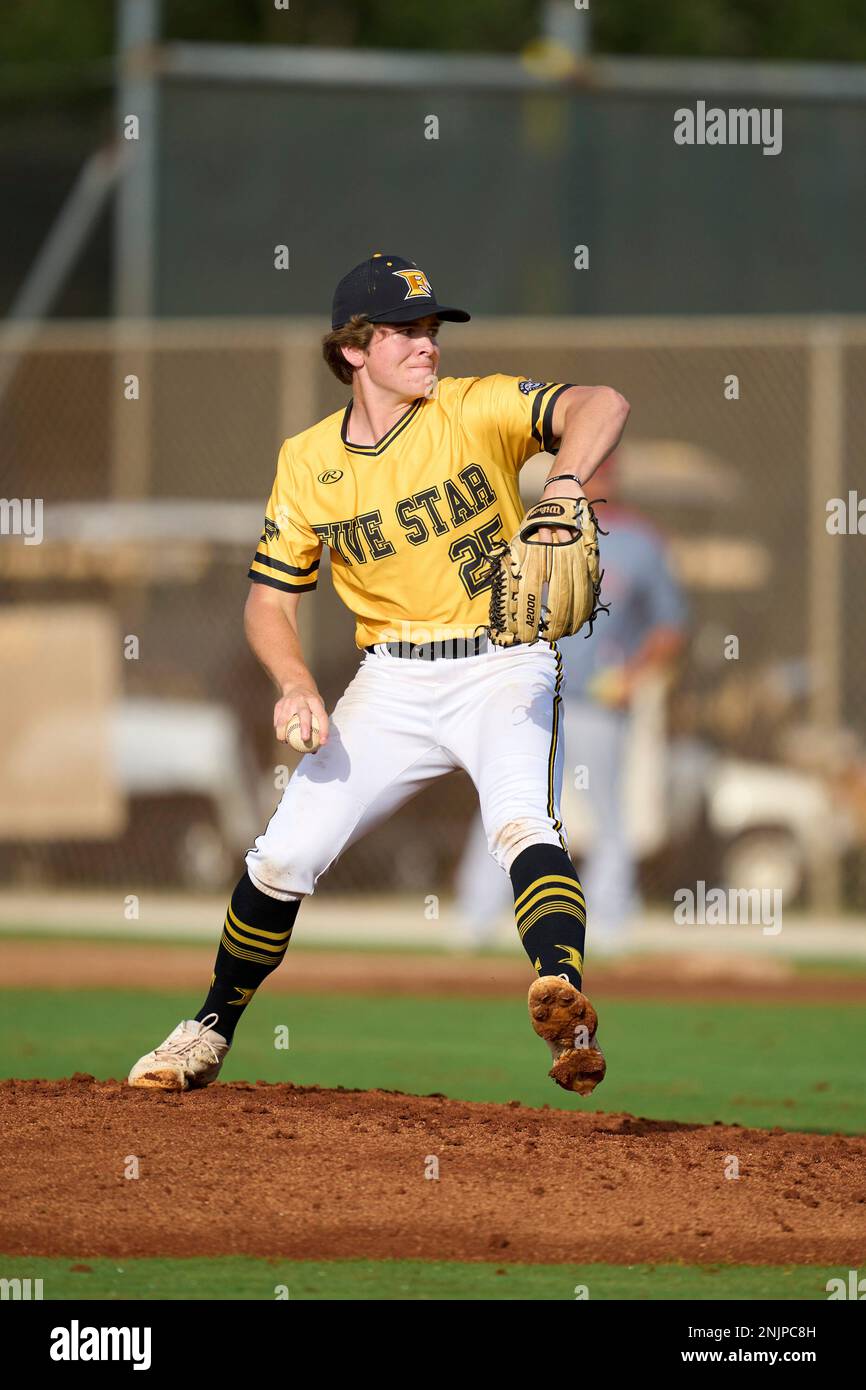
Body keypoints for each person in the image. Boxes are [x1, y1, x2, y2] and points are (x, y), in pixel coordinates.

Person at [127, 253, 629, 1097]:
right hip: (391, 680)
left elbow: (600, 402)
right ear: (353, 350)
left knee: (520, 823)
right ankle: (207, 1029)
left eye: (431, 328)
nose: (427, 344)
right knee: (283, 856)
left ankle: (564, 1002)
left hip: (503, 660)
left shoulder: (474, 409)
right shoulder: (308, 460)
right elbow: (267, 603)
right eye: (405, 330)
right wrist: (293, 681)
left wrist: (564, 479)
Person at [454, 455, 687, 952]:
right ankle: (475, 916)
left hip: (596, 703)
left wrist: (634, 675)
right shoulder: (532, 532)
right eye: (584, 474)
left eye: (603, 473)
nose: (595, 483)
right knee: (507, 802)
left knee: (607, 812)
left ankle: (611, 922)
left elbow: (670, 627)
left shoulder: (640, 544)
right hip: (530, 698)